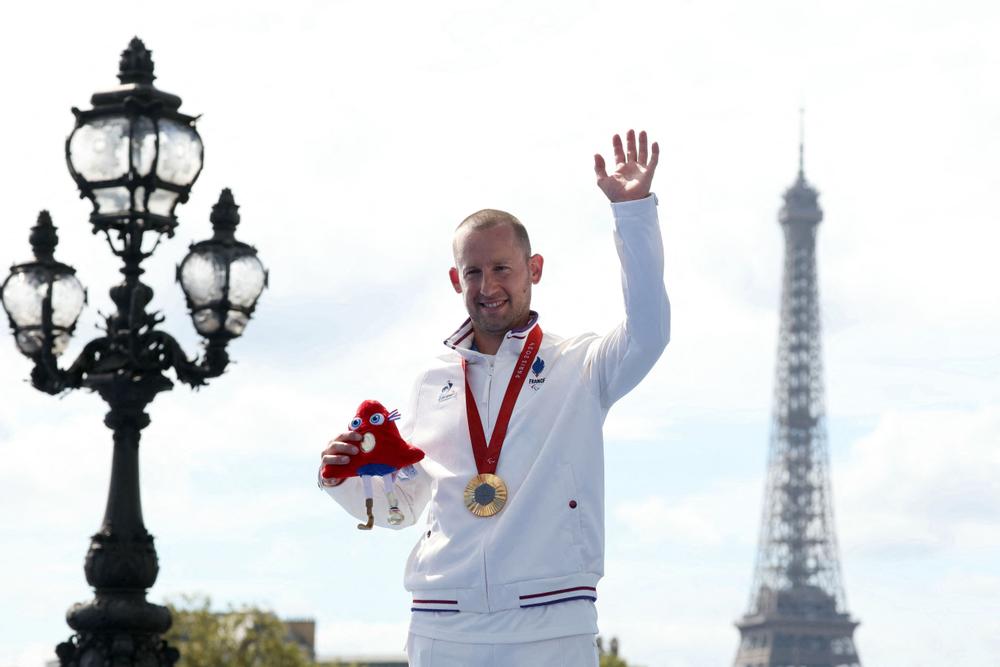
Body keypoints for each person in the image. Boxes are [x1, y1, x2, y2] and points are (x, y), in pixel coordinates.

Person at [319, 129, 670, 667]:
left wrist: (634, 214)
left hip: (551, 624)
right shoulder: (429, 381)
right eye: (475, 272)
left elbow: (650, 331)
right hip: (442, 623)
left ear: (534, 270)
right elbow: (404, 507)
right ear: (456, 278)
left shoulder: (582, 364)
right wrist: (346, 477)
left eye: (502, 268)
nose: (489, 286)